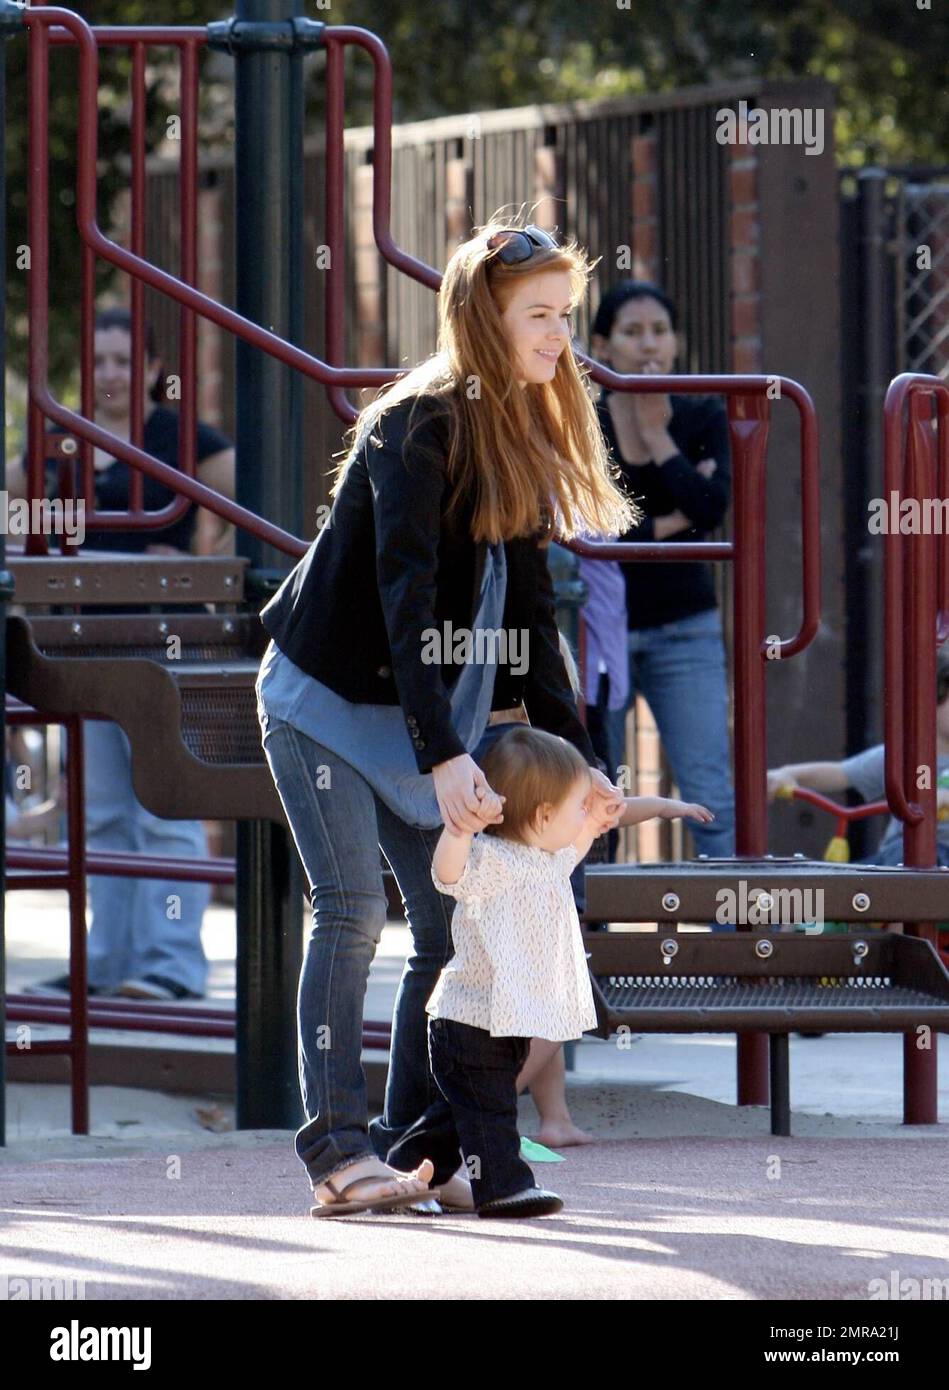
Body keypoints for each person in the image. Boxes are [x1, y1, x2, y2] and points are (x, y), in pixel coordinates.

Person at [256, 215, 642, 1217]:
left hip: (422, 721)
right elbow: (402, 597)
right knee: (351, 911)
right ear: (482, 317)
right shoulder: (414, 422)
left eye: (566, 315)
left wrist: (584, 768)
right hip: (327, 707)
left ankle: (411, 1147)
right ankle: (336, 1154)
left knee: (450, 928)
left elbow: (528, 622)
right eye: (539, 317)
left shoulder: (516, 429)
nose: (560, 338)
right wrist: (441, 758)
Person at [387, 725, 712, 1216]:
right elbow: (447, 875)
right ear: (542, 816)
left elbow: (607, 817)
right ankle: (503, 1187)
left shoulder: (552, 858)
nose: (587, 816)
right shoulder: (492, 859)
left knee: (461, 1113)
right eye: (576, 807)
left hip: (506, 1022)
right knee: (490, 1111)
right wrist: (458, 831)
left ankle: (409, 1169)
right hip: (468, 1018)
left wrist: (653, 807)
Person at [19, 308, 236, 1001]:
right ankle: (109, 965)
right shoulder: (63, 440)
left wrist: (203, 560)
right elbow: (13, 502)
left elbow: (248, 502)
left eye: (122, 360)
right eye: (98, 361)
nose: (109, 374)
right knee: (105, 814)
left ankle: (170, 966)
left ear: (148, 368)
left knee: (163, 808)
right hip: (84, 649)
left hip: (163, 647)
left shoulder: (177, 437)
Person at [590, 282, 736, 876]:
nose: (648, 344)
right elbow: (592, 531)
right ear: (602, 345)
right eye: (631, 332)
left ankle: (736, 938)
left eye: (659, 331)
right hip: (602, 632)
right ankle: (592, 936)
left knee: (711, 790)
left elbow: (712, 507)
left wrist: (656, 438)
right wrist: (672, 516)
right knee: (597, 793)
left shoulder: (701, 412)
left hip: (684, 626)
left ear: (675, 342)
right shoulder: (586, 423)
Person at [767, 644, 949, 869]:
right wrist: (787, 774)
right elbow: (840, 773)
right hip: (901, 857)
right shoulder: (904, 756)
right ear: (931, 702)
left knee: (932, 855)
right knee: (852, 875)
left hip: (939, 860)